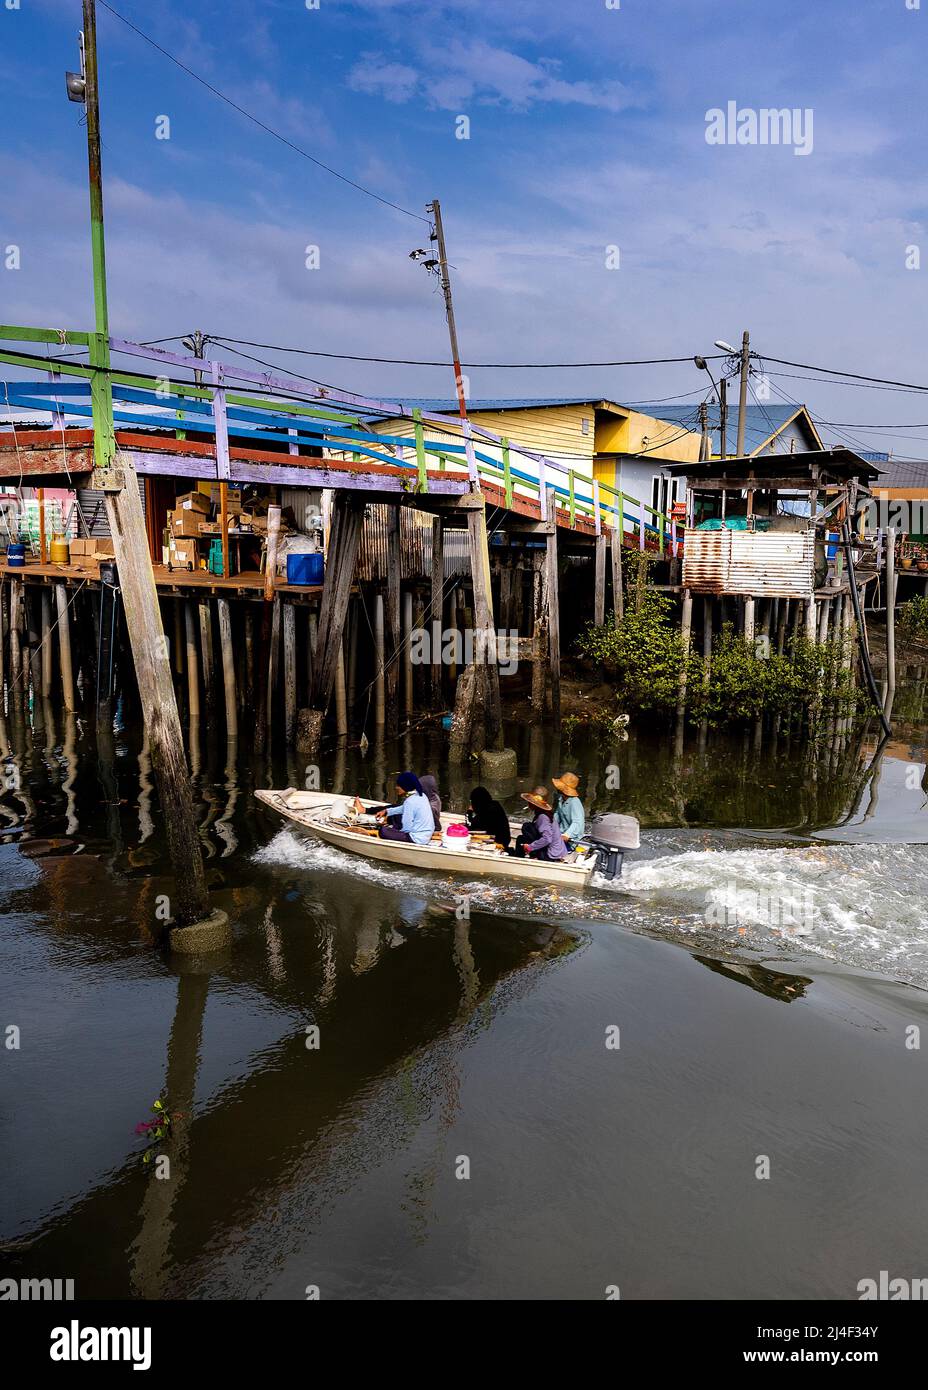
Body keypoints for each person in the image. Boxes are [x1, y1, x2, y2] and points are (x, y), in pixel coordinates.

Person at [376, 773, 436, 845]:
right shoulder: (422, 795)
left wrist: (395, 832)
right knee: (395, 823)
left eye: (398, 785)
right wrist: (386, 811)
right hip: (427, 835)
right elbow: (403, 808)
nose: (396, 787)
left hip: (417, 839)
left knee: (382, 831)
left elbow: (407, 828)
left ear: (405, 786)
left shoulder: (409, 801)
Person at [512, 786, 567, 861]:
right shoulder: (544, 814)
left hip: (551, 854)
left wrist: (530, 847)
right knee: (521, 838)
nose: (528, 803)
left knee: (527, 827)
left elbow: (547, 839)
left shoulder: (542, 817)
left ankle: (518, 859)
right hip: (558, 851)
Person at [466, 786, 512, 850]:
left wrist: (469, 812)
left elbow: (471, 828)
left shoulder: (484, 813)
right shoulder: (495, 805)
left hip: (496, 844)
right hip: (504, 840)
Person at [552, 771, 585, 848]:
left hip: (571, 839)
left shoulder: (574, 802)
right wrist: (551, 825)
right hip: (560, 833)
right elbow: (557, 815)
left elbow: (577, 822)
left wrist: (567, 835)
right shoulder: (561, 799)